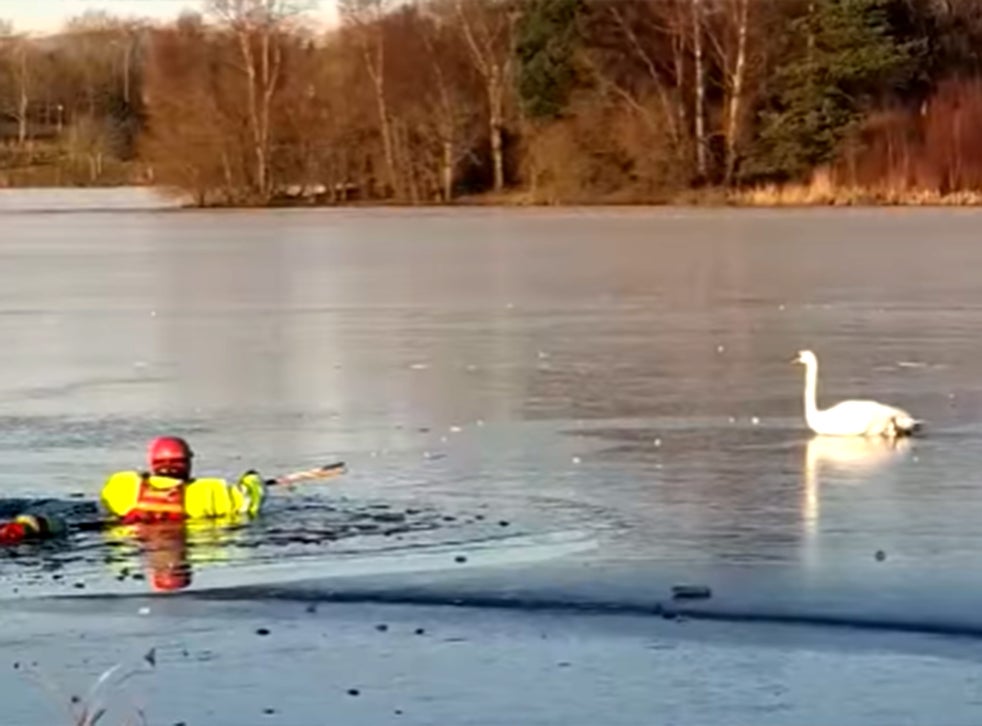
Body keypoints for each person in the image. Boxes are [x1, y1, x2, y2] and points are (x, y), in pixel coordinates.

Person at [99, 436, 267, 523]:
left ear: (152, 462)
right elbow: (250, 500)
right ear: (187, 462)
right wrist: (253, 478)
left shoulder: (122, 485)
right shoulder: (210, 491)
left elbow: (104, 505)